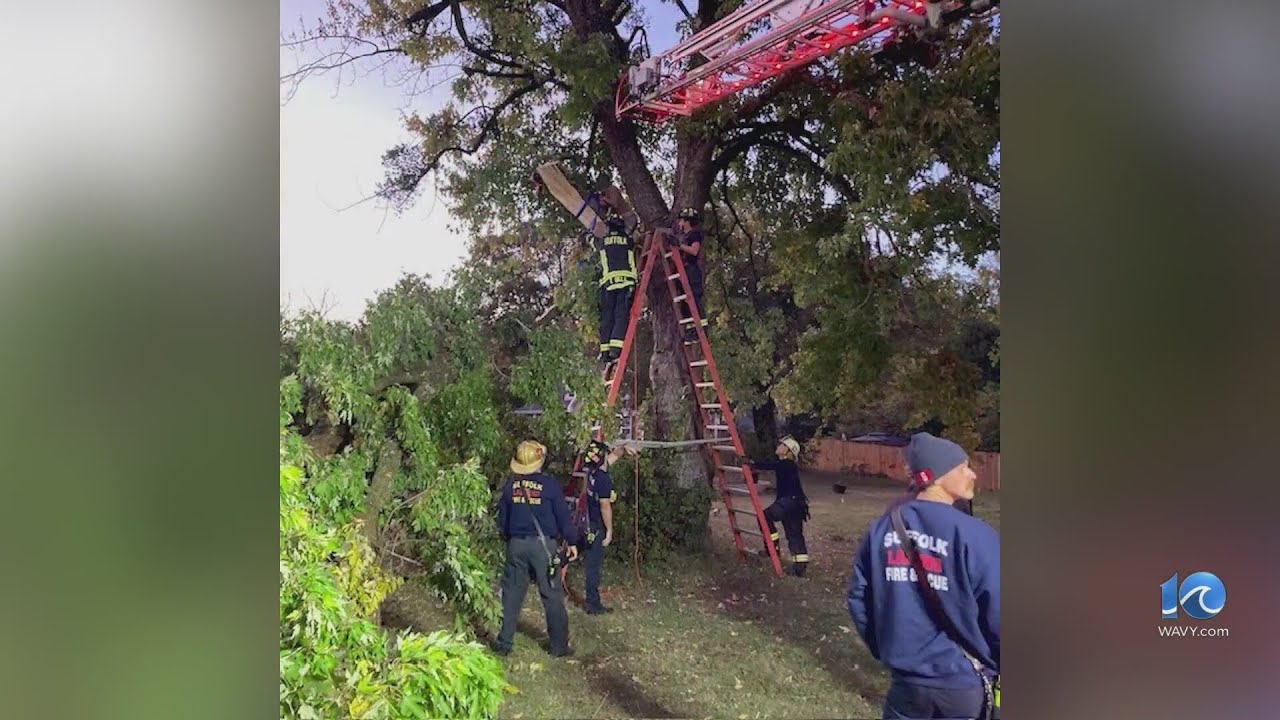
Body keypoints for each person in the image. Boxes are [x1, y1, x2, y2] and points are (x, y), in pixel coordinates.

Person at [847, 433, 1000, 719]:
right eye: (963, 467)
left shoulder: (882, 529)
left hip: (906, 684)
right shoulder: (976, 536)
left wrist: (889, 649)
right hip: (962, 686)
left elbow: (859, 600)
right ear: (938, 477)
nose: (973, 474)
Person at [493, 440, 581, 658]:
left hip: (516, 545)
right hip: (544, 548)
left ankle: (504, 643)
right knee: (551, 594)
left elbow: (502, 520)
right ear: (539, 461)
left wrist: (510, 539)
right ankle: (559, 646)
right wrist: (571, 541)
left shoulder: (510, 486)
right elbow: (563, 517)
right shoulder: (549, 486)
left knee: (511, 594)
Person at [577, 440, 634, 614]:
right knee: (593, 566)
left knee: (587, 561)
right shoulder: (603, 479)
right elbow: (605, 506)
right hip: (596, 526)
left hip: (588, 523)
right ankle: (593, 605)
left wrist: (623, 449)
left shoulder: (593, 472)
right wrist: (609, 531)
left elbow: (610, 458)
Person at [748, 436, 810, 576]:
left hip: (790, 502)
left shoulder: (787, 464)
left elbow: (771, 465)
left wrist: (752, 463)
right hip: (793, 503)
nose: (779, 446)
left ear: (787, 451)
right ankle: (798, 565)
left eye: (782, 445)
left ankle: (775, 551)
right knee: (793, 533)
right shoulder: (785, 465)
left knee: (766, 517)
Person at [595, 213, 638, 364]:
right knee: (620, 316)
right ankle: (615, 349)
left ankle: (604, 352)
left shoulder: (602, 241)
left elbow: (591, 241)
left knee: (607, 319)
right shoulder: (628, 241)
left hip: (608, 285)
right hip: (626, 284)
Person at [659, 207, 707, 341]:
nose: (679, 222)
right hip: (684, 270)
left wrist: (679, 245)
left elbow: (694, 251)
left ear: (687, 221)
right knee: (686, 303)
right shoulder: (684, 237)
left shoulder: (694, 235)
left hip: (692, 270)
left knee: (694, 300)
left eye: (681, 219)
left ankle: (698, 330)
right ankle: (690, 330)